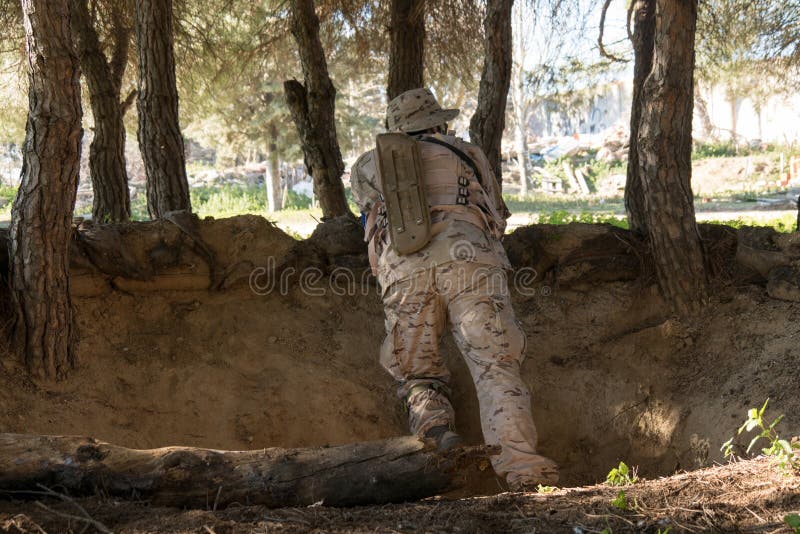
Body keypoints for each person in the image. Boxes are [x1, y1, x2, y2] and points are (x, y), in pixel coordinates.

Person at [350, 88, 558, 490]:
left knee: (418, 374)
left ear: (396, 129)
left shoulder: (367, 166)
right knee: (496, 367)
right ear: (438, 123)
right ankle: (524, 472)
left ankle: (438, 440)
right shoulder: (469, 154)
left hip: (404, 272)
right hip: (472, 262)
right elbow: (496, 217)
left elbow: (368, 223)